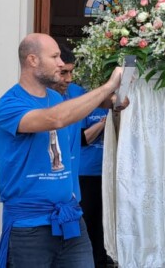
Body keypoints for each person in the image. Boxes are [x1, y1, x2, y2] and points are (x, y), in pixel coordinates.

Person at [0, 33, 127, 268]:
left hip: (71, 219)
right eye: (54, 56)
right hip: (30, 227)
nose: (60, 63)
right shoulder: (10, 104)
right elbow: (54, 119)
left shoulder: (57, 97)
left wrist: (112, 100)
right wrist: (108, 87)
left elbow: (81, 106)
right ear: (33, 60)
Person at [55, 44, 109, 268]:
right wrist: (104, 124)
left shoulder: (84, 94)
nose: (69, 78)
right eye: (64, 72)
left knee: (97, 229)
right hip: (79, 173)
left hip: (97, 175)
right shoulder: (73, 95)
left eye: (71, 72)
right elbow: (82, 138)